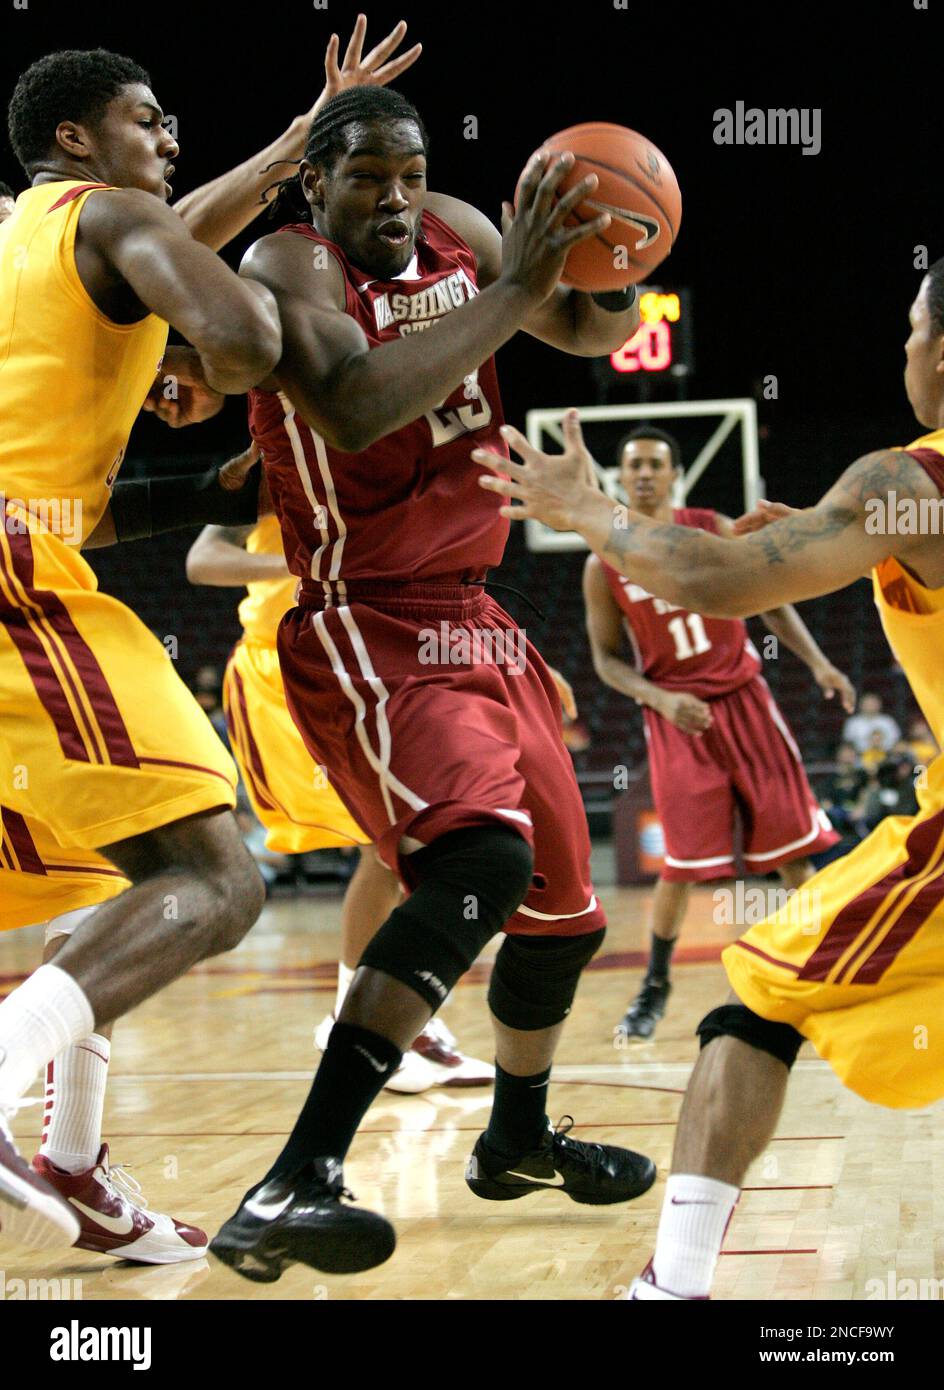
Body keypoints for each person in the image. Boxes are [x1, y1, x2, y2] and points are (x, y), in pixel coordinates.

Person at [209, 84, 659, 1282]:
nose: (396, 197)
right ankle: (288, 1183)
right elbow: (354, 408)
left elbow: (582, 330)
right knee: (479, 863)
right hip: (366, 616)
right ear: (318, 185)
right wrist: (517, 291)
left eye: (408, 173)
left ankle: (515, 1138)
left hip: (474, 614)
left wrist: (617, 248)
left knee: (565, 908)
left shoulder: (461, 224)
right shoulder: (288, 265)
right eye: (365, 177)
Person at [0, 25, 423, 1263]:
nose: (170, 137)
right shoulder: (111, 226)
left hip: (35, 541)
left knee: (104, 897)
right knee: (220, 879)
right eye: (149, 116)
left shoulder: (33, 241)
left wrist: (302, 136)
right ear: (76, 138)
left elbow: (96, 496)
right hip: (17, 575)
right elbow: (241, 335)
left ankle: (74, 1167)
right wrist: (231, 348)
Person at [474, 257, 944, 1301]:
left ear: (940, 351)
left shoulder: (910, 480)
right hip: (690, 707)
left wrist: (590, 510)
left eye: (910, 329)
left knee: (754, 992)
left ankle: (671, 1285)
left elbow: (711, 578)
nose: (901, 349)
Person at [186, 485, 494, 1093]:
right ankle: (361, 1023)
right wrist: (292, 563)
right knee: (388, 846)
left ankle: (387, 1018)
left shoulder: (371, 461)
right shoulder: (266, 464)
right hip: (284, 669)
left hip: (359, 659)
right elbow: (202, 561)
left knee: (417, 846)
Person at [584, 425, 850, 1038]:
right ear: (620, 479)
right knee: (681, 863)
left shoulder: (713, 526)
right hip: (676, 715)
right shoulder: (604, 561)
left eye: (655, 463)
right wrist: (661, 698)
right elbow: (606, 659)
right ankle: (654, 985)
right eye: (634, 466)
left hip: (745, 700)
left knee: (792, 854)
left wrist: (818, 662)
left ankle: (820, 969)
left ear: (675, 474)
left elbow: (771, 597)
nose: (644, 474)